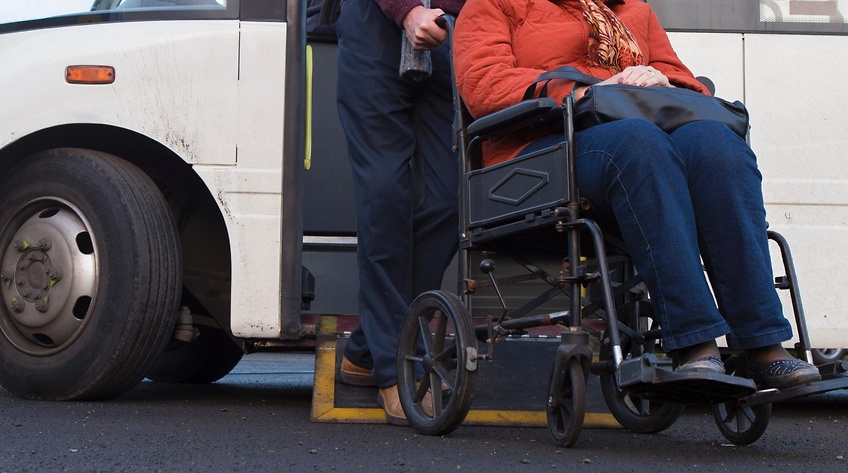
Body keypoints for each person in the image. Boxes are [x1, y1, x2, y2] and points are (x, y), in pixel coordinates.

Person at [453, 0, 821, 388]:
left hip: (637, 144)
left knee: (718, 145)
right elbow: (483, 83)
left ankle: (763, 343)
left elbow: (684, 81)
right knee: (639, 143)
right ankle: (695, 341)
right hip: (542, 150)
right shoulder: (494, 3)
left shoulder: (635, 10)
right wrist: (583, 91)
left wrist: (661, 80)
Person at [335, 0, 465, 425]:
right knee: (385, 199)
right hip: (375, 28)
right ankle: (397, 366)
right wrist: (408, 11)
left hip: (452, 31)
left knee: (450, 200)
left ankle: (364, 349)